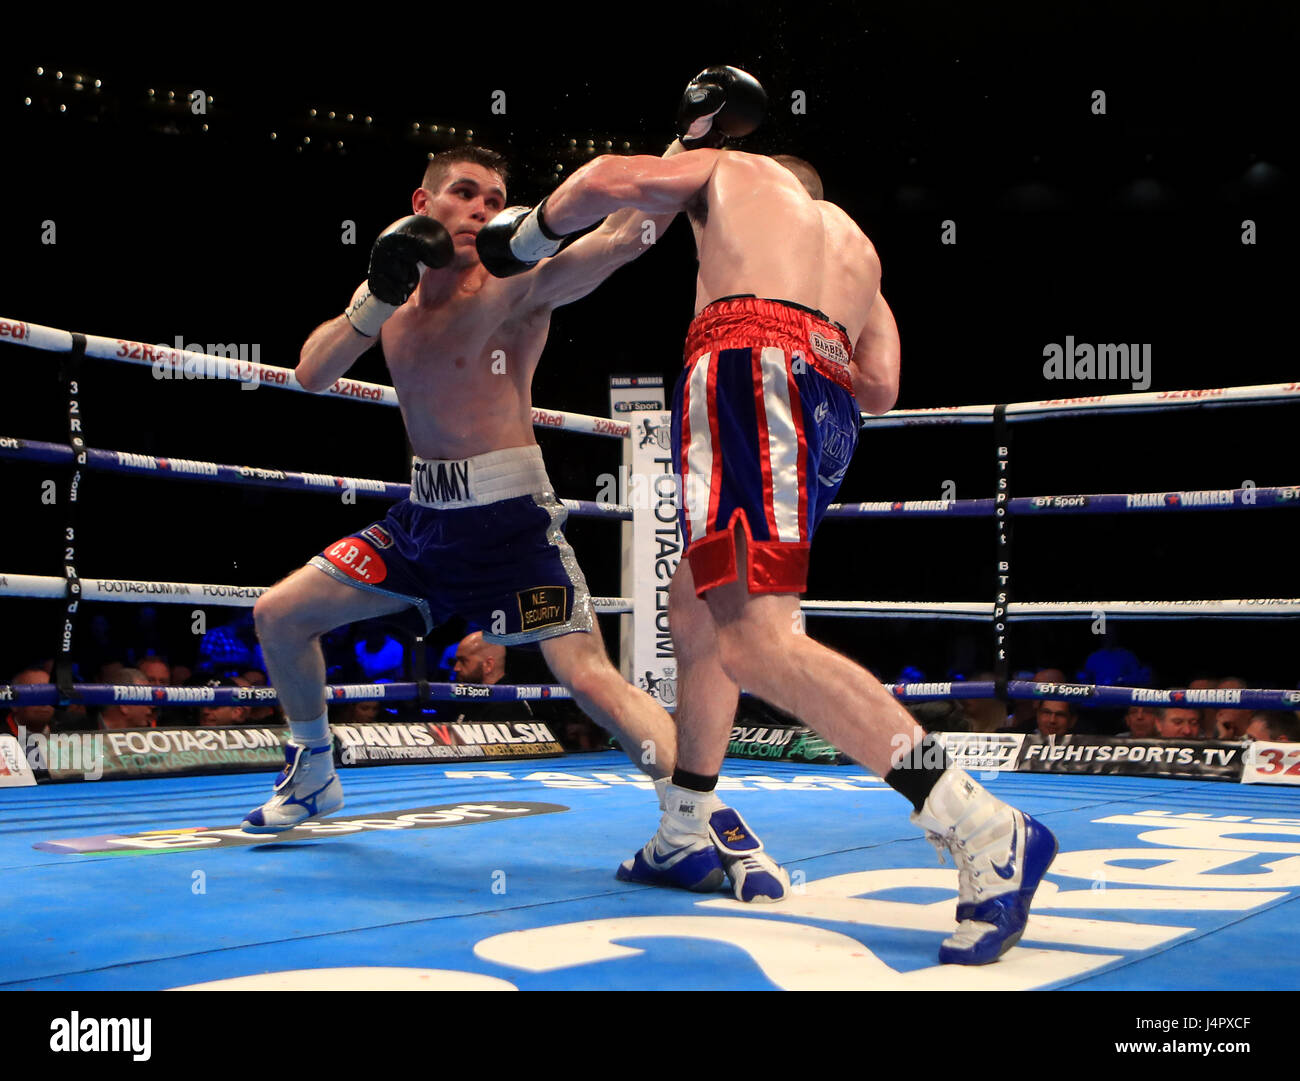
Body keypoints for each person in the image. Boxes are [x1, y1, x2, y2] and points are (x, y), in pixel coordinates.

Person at [481, 65, 1058, 961]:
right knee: (694, 605)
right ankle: (684, 827)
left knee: (753, 635)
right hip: (820, 408)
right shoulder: (860, 250)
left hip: (751, 372)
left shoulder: (738, 173)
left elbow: (600, 178)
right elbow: (881, 385)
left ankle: (981, 824)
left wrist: (524, 238)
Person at [243, 140, 781, 900]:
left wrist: (687, 147)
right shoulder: (389, 301)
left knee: (587, 675)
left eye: (496, 200)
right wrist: (375, 294)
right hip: (421, 521)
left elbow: (622, 236)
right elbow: (312, 371)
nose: (483, 210)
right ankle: (315, 773)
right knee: (279, 615)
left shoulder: (515, 284)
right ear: (421, 204)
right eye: (466, 194)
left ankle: (702, 816)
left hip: (509, 526)